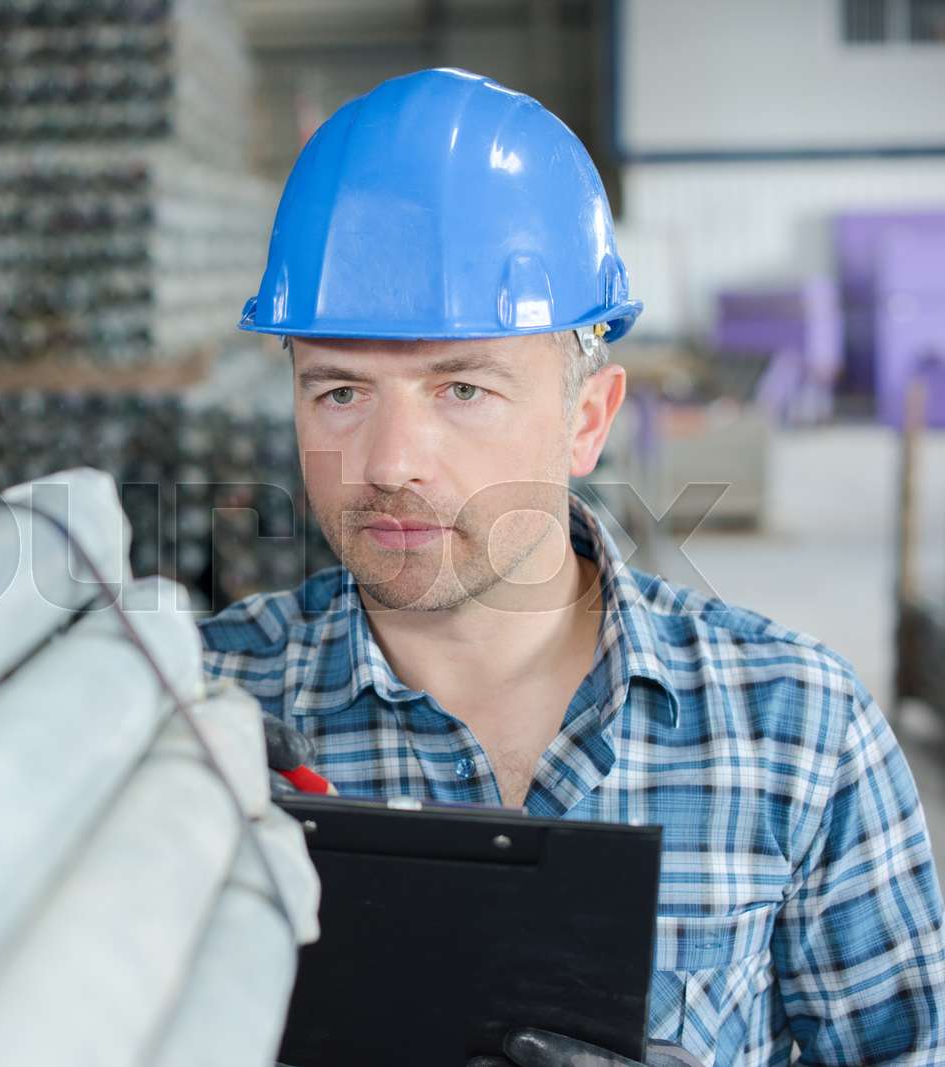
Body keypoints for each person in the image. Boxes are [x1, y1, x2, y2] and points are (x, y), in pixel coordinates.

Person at [203, 68, 945, 1066]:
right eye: (338, 391)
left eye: (461, 387)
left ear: (587, 417)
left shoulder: (795, 731)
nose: (386, 462)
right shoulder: (201, 712)